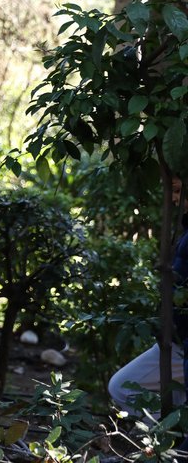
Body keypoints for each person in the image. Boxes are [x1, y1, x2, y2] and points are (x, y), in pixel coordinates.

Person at [109, 176, 188, 415]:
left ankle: (170, 443)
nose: (173, 198)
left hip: (181, 342)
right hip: (177, 339)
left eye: (177, 190)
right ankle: (171, 444)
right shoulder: (185, 227)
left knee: (121, 387)